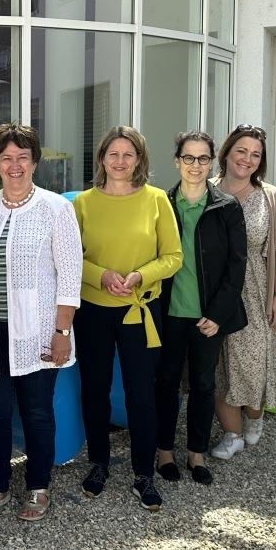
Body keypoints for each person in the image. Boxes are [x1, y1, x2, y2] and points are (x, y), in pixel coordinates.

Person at [0, 123, 82, 524]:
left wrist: (62, 332)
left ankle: (37, 485)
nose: (15, 165)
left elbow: (69, 277)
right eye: (6, 158)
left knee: (36, 413)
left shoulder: (56, 209)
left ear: (34, 162)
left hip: (38, 333)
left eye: (23, 157)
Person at [72, 125, 182, 512]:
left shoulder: (155, 200)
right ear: (102, 158)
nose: (120, 161)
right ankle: (99, 464)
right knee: (95, 389)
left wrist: (140, 276)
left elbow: (173, 257)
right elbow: (69, 257)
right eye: (113, 154)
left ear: (139, 160)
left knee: (141, 394)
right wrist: (100, 275)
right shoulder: (83, 203)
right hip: (93, 311)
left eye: (128, 154)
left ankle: (143, 474)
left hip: (141, 310)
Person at [154, 131, 248, 486]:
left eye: (203, 158)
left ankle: (195, 452)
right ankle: (164, 450)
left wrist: (218, 315)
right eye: (188, 158)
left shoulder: (226, 206)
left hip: (208, 317)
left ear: (212, 162)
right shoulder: (160, 204)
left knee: (204, 384)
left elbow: (237, 265)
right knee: (165, 383)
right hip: (168, 313)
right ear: (177, 161)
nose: (195, 165)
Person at [211, 124, 276, 460]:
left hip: (256, 292)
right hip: (215, 293)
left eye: (255, 154)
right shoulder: (205, 189)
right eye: (241, 151)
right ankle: (232, 435)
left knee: (252, 364)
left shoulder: (269, 196)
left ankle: (254, 418)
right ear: (227, 152)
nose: (247, 159)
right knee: (218, 366)